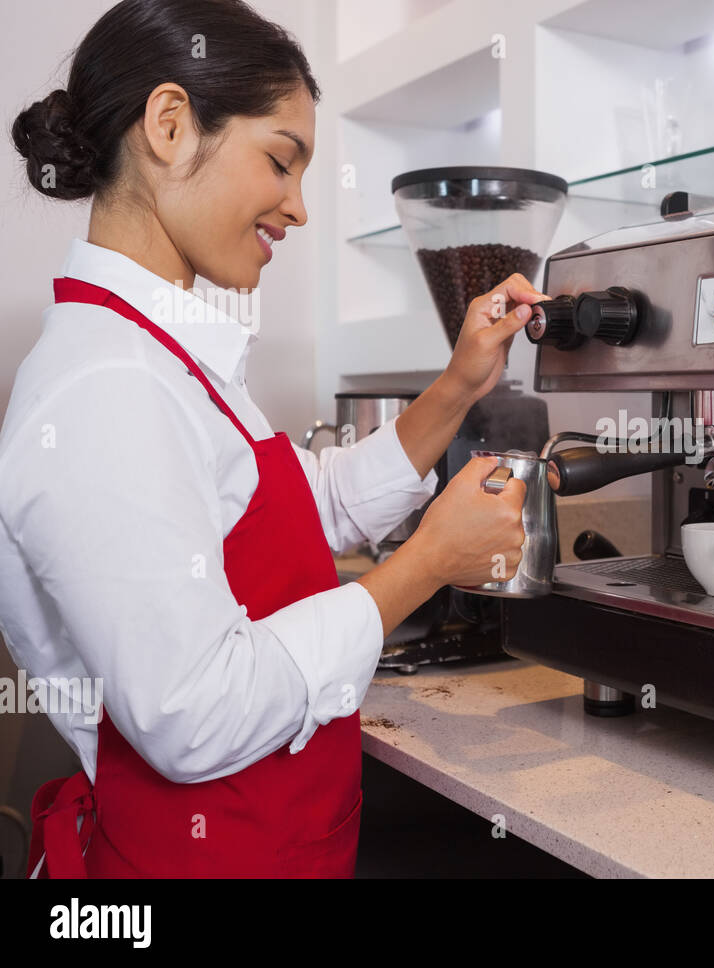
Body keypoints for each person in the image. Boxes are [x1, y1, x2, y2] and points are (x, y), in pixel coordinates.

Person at [2, 0, 541, 877]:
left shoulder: (163, 354)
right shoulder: (106, 387)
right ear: (170, 126)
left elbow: (302, 509)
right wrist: (427, 566)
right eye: (280, 161)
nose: (296, 209)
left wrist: (459, 384)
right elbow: (192, 715)